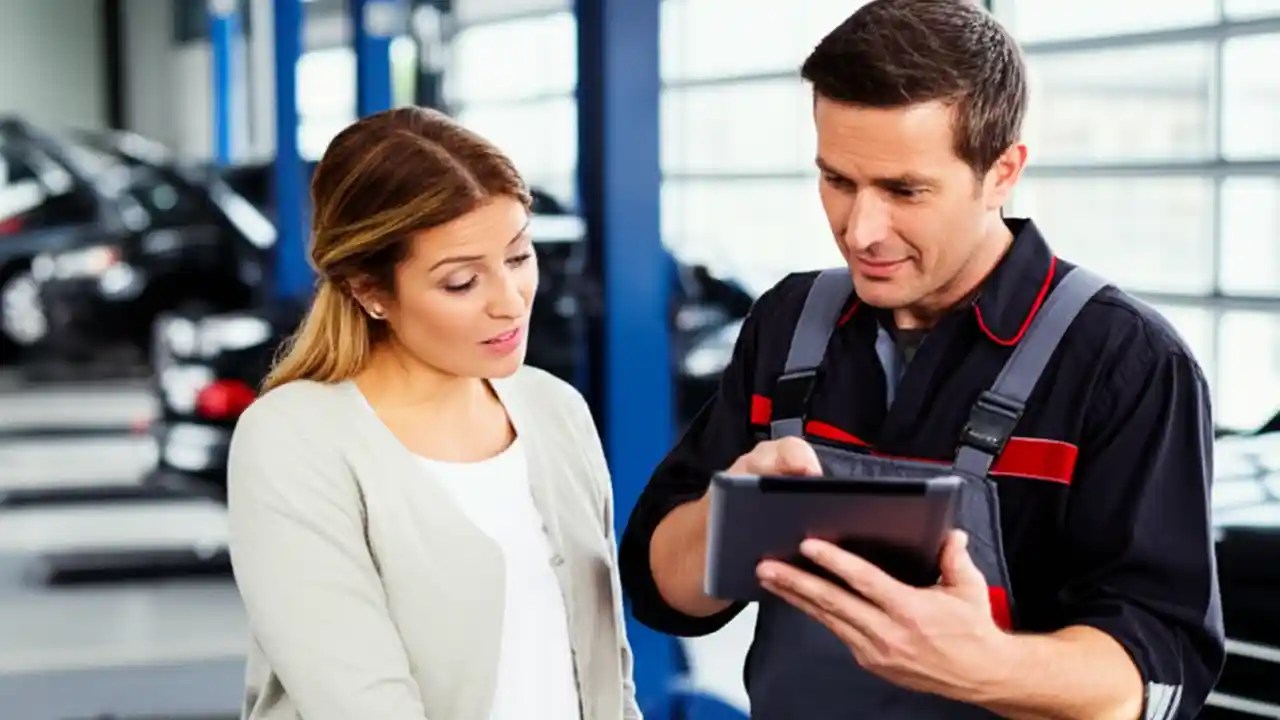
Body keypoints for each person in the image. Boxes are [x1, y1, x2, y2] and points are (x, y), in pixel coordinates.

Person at [618, 1, 1225, 719]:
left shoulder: (1124, 363)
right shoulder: (787, 324)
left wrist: (987, 666)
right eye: (838, 181)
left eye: (905, 190)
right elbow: (662, 592)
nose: (861, 231)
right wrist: (728, 515)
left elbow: (1163, 672)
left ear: (1002, 173)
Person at [225, 107, 640, 720]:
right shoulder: (294, 439)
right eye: (461, 282)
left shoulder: (556, 411)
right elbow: (357, 703)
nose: (509, 301)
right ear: (370, 291)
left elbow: (611, 678)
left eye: (519, 257)